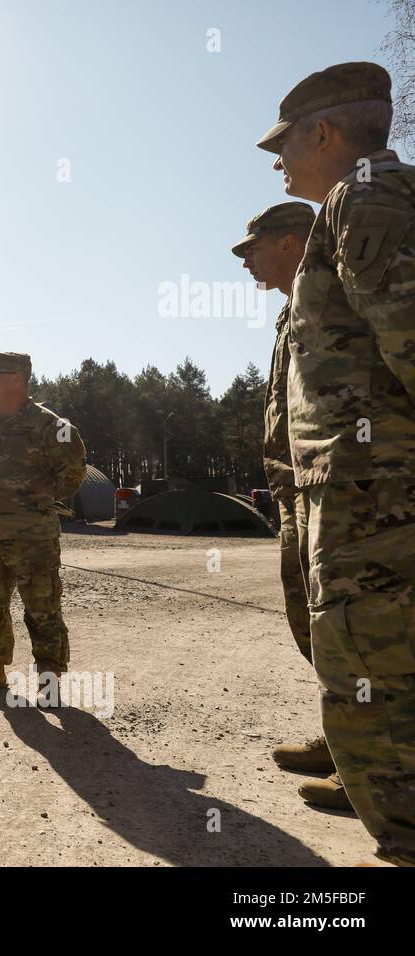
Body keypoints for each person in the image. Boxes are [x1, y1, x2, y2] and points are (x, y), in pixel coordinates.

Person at [259, 60, 415, 865]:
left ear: (324, 133)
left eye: (284, 145)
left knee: (373, 675)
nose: (280, 163)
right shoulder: (377, 199)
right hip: (364, 488)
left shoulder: (363, 198)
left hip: (375, 497)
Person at [234, 201, 353, 812]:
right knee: (311, 623)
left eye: (252, 247)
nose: (247, 259)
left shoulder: (334, 289)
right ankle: (345, 745)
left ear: (289, 241)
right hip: (294, 487)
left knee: (350, 629)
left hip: (339, 483)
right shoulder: (290, 309)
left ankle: (376, 771)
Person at [0, 352, 86, 702]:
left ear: (17, 379)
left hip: (34, 536)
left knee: (42, 608)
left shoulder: (52, 426)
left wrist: (34, 498)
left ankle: (49, 681)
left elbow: (73, 475)